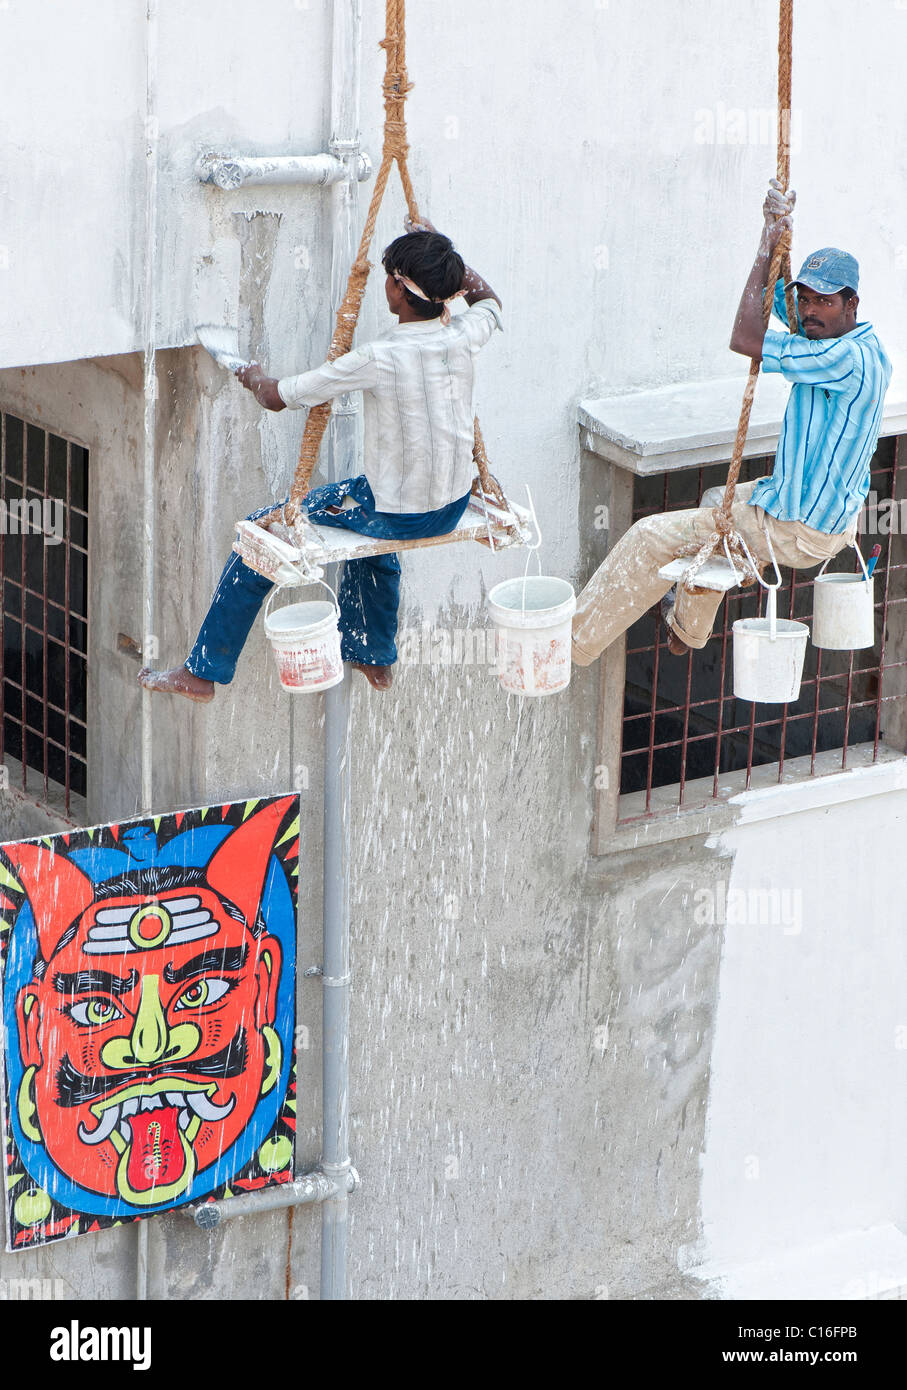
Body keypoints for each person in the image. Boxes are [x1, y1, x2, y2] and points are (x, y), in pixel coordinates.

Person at [139, 221, 502, 700]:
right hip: (450, 505)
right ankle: (373, 656)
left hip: (396, 512)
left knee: (258, 535)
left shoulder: (380, 356)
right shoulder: (464, 334)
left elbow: (276, 397)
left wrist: (248, 372)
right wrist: (445, 257)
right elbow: (489, 300)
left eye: (390, 277)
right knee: (370, 539)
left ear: (400, 290)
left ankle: (203, 672)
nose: (384, 284)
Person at [571, 181, 892, 667]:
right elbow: (771, 305)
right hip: (802, 502)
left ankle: (571, 646)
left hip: (799, 527)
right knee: (716, 505)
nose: (808, 312)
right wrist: (776, 240)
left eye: (822, 302)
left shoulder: (846, 359)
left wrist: (767, 241)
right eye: (805, 300)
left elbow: (745, 334)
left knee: (647, 537)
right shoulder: (848, 342)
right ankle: (687, 628)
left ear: (852, 304)